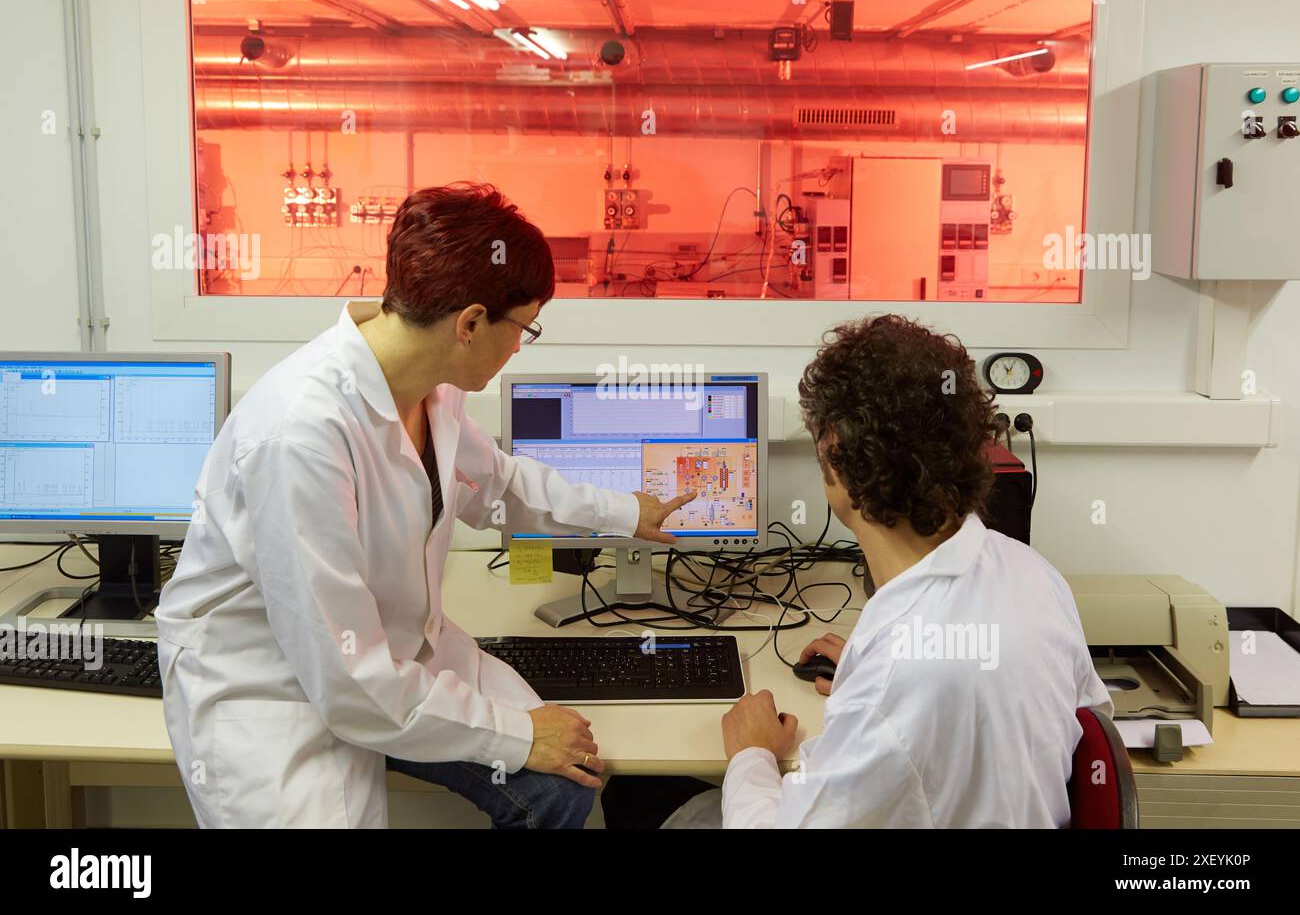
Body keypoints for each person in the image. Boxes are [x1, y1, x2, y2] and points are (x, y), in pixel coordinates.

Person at [156, 182, 694, 829]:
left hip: (390, 652)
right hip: (272, 683)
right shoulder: (300, 435)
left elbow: (493, 483)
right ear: (468, 324)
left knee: (566, 784)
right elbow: (349, 683)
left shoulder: (428, 386)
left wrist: (622, 513)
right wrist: (518, 735)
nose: (521, 344)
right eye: (523, 327)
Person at [602, 314, 1111, 828]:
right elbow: (1092, 727)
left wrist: (752, 754)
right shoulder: (1030, 571)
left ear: (834, 455)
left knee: (632, 794)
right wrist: (871, 671)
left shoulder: (898, 676)